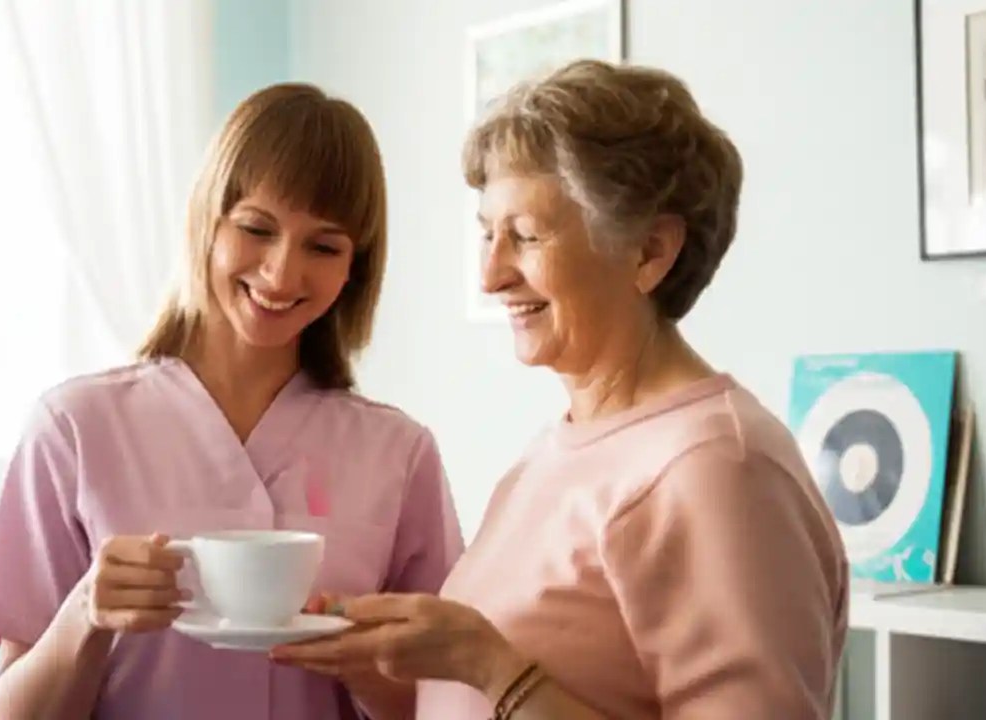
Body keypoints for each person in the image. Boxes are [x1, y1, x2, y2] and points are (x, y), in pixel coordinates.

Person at [272, 59, 849, 719]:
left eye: (525, 236)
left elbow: (502, 683)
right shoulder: (555, 452)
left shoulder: (719, 470)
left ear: (649, 252)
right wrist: (380, 672)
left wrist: (490, 666)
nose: (490, 276)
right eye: (487, 234)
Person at [0, 82, 463, 720]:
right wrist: (87, 613)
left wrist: (368, 672)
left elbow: (448, 700)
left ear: (355, 266)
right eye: (257, 228)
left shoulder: (400, 453)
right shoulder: (74, 429)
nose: (282, 274)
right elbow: (18, 714)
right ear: (207, 220)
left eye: (324, 247)